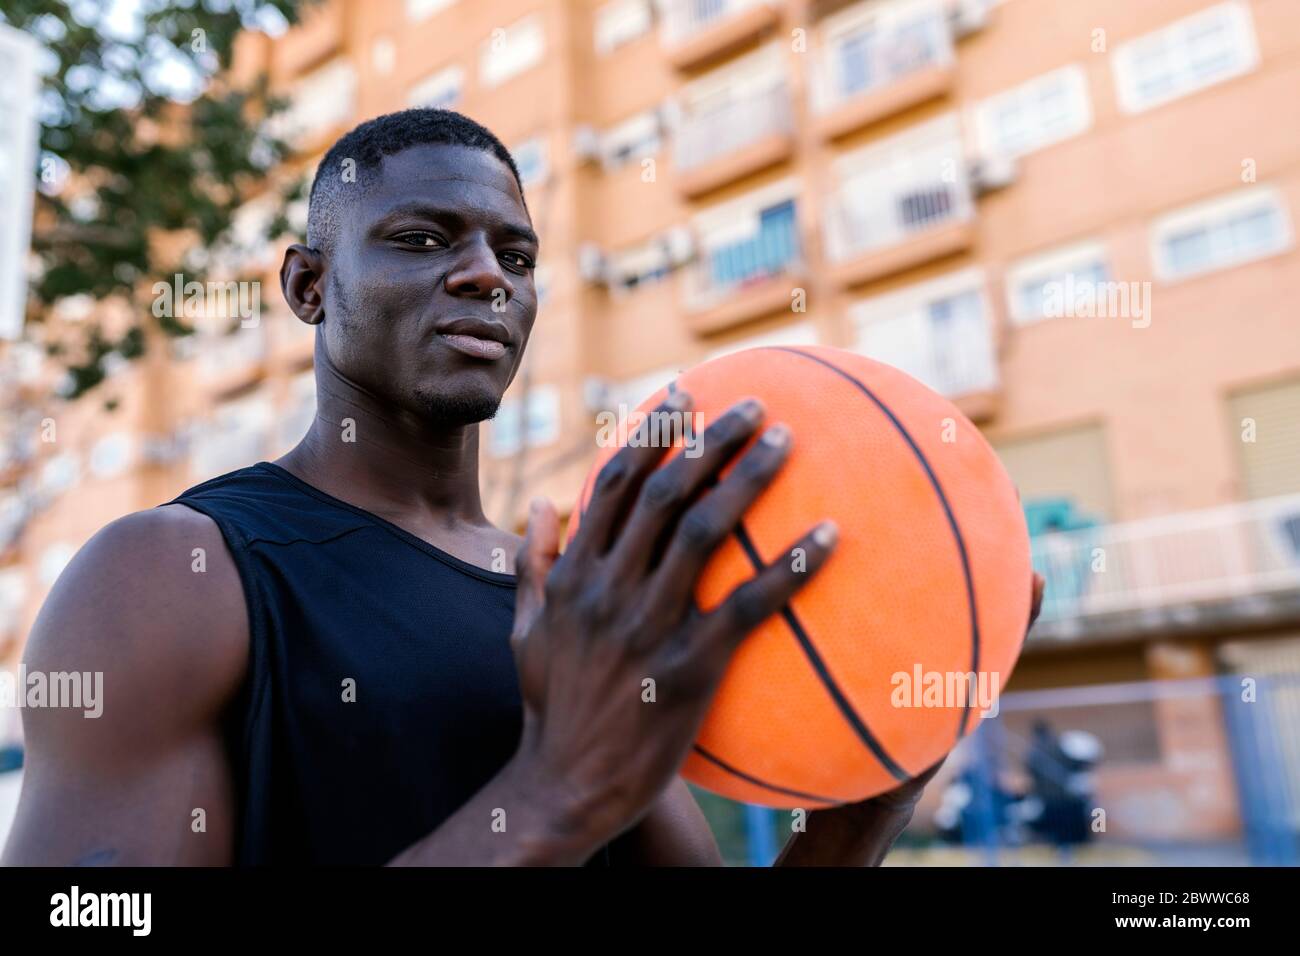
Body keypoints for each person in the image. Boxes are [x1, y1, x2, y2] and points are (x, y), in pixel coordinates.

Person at [2, 109, 1042, 865]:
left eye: (517, 252)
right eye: (422, 239)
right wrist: (554, 790)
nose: (487, 274)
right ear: (307, 283)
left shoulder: (568, 590)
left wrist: (866, 798)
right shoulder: (171, 573)